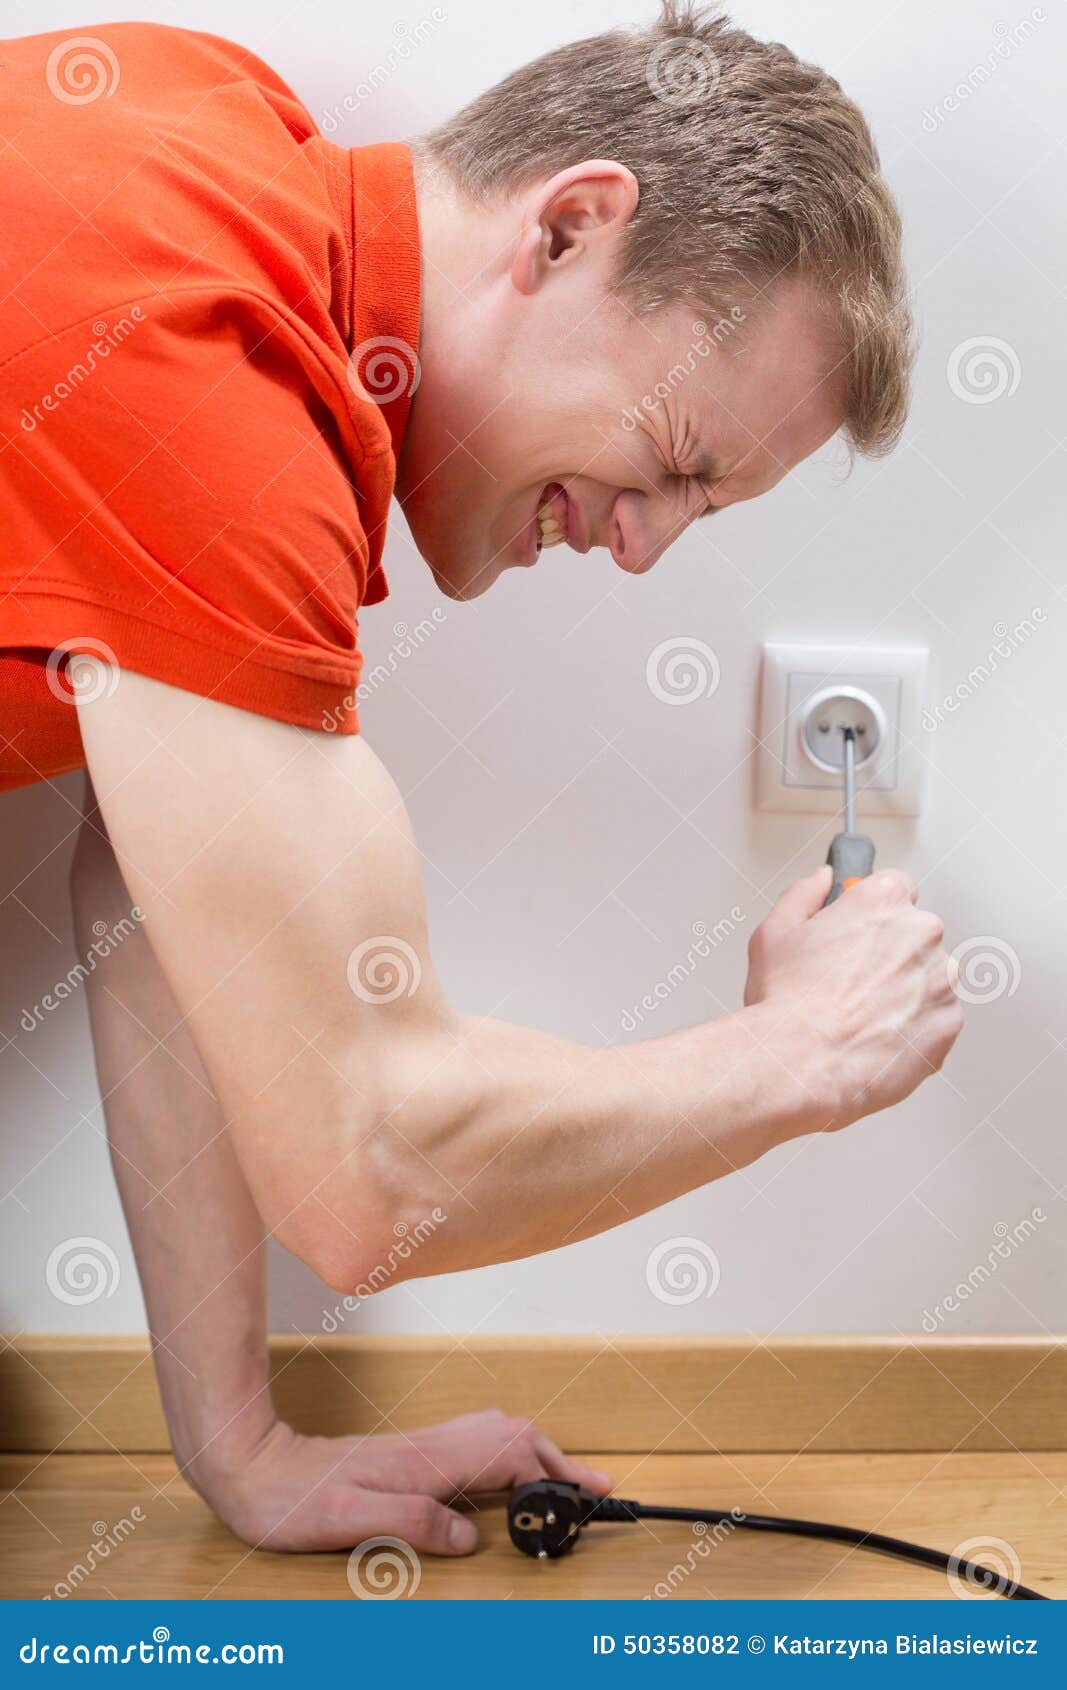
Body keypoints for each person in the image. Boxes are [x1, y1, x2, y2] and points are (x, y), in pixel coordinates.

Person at [1, 5, 962, 1554]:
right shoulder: (201, 367)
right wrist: (810, 1049)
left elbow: (162, 887)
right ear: (571, 226)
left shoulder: (209, 135)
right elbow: (371, 1169)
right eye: (676, 456)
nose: (642, 544)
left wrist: (241, 1446)